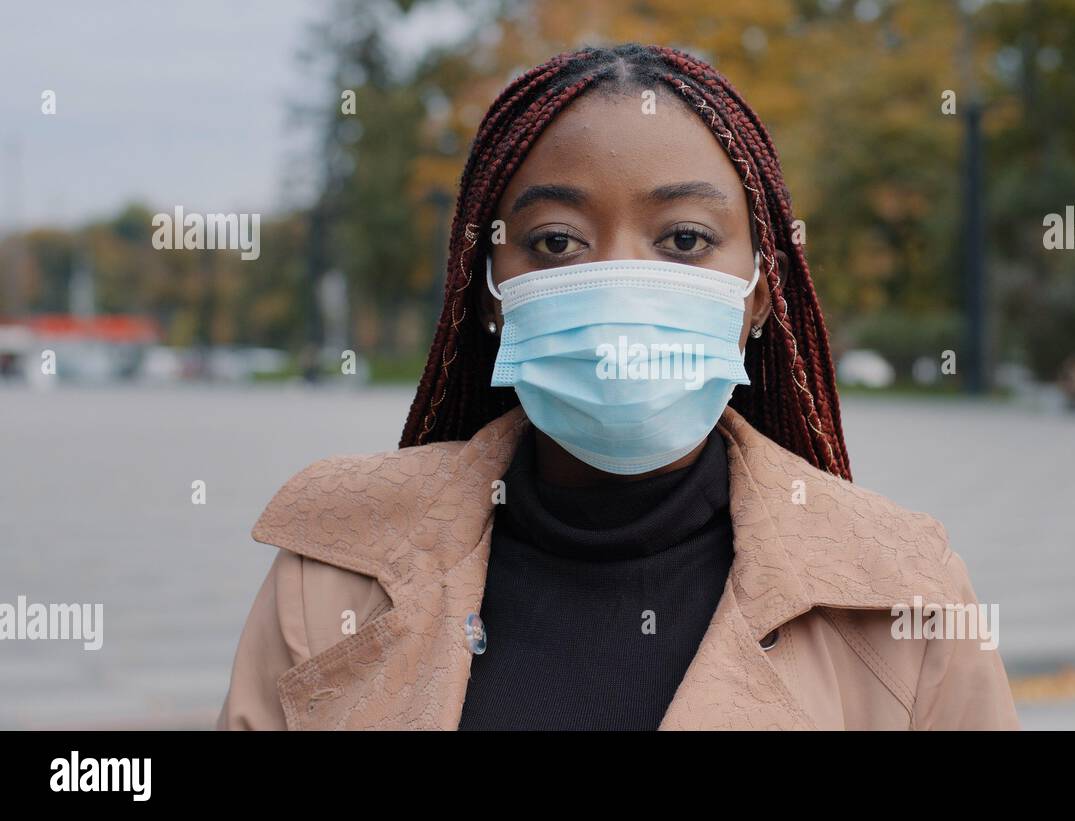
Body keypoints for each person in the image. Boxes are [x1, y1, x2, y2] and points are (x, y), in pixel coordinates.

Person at [217, 43, 1018, 730]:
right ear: (489, 290)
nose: (620, 281)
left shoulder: (906, 592)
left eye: (684, 239)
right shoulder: (330, 572)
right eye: (557, 240)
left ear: (760, 296)